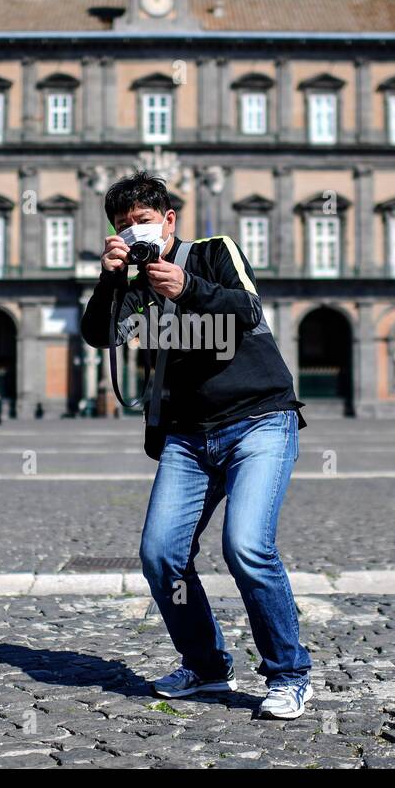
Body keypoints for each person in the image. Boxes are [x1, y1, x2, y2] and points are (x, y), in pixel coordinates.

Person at [80, 171, 313, 720]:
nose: (134, 231)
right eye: (123, 226)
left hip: (258, 420)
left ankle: (289, 673)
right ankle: (207, 665)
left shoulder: (212, 252)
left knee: (246, 548)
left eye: (142, 220)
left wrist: (186, 287)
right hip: (188, 437)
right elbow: (100, 336)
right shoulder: (132, 286)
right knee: (161, 555)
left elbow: (247, 310)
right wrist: (110, 279)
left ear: (168, 220)